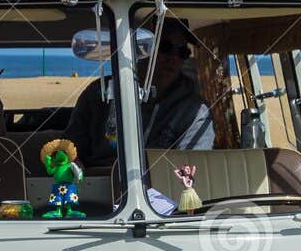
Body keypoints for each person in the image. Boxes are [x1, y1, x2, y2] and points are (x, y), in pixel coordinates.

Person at [64, 22, 214, 168]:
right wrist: (72, 164)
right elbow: (70, 148)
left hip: (162, 188)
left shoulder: (195, 112)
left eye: (182, 52)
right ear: (138, 48)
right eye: (164, 47)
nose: (173, 58)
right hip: (99, 182)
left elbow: (190, 170)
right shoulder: (99, 93)